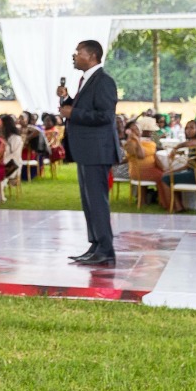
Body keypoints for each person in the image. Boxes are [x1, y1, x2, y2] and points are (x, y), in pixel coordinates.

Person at [57, 39, 121, 266]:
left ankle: (106, 249)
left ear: (91, 55)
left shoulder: (104, 81)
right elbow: (83, 108)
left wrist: (72, 113)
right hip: (87, 151)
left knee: (97, 201)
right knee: (89, 202)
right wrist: (67, 100)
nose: (74, 57)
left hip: (98, 151)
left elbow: (105, 116)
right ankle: (95, 245)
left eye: (78, 53)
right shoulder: (86, 80)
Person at [159, 119, 196, 212]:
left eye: (192, 127)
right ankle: (178, 206)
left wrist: (175, 148)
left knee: (165, 179)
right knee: (167, 176)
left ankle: (171, 208)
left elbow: (188, 143)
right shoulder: (193, 144)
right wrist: (171, 171)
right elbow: (188, 165)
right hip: (194, 173)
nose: (188, 130)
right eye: (187, 128)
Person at [122, 121, 161, 205]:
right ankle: (163, 201)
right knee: (163, 177)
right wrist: (136, 139)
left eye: (138, 129)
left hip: (147, 169)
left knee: (164, 174)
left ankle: (149, 199)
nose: (137, 131)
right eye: (133, 129)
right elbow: (141, 155)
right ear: (129, 131)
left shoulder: (145, 142)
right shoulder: (131, 143)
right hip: (139, 171)